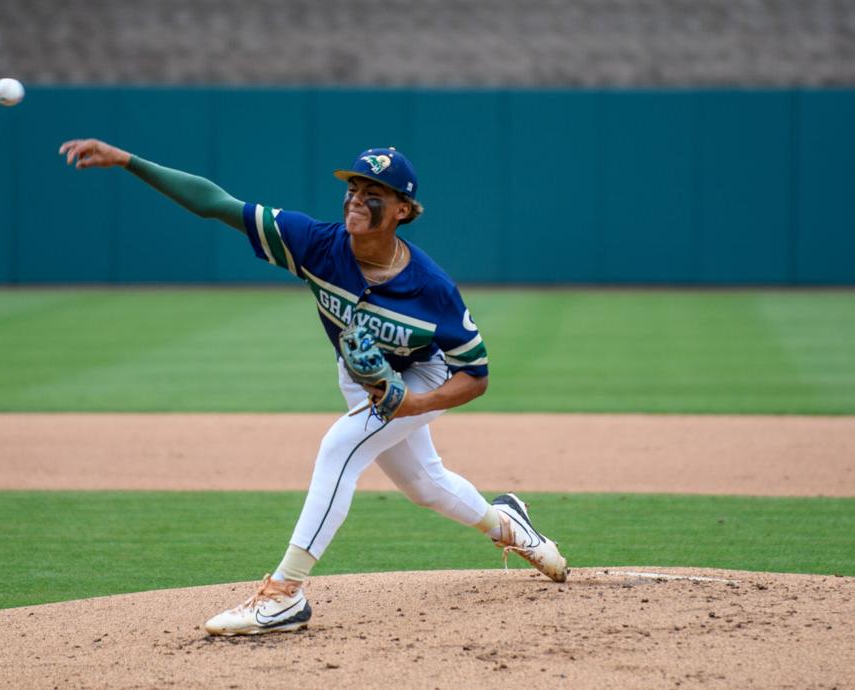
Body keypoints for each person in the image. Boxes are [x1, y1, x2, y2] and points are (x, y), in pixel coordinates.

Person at [59, 138, 568, 636]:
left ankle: (285, 594)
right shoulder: (314, 244)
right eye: (352, 187)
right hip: (361, 378)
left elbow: (475, 377)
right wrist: (127, 160)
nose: (355, 198)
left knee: (339, 449)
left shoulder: (430, 289)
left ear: (402, 211)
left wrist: (417, 403)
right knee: (424, 486)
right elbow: (214, 204)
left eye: (374, 192)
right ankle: (509, 524)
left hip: (422, 376)